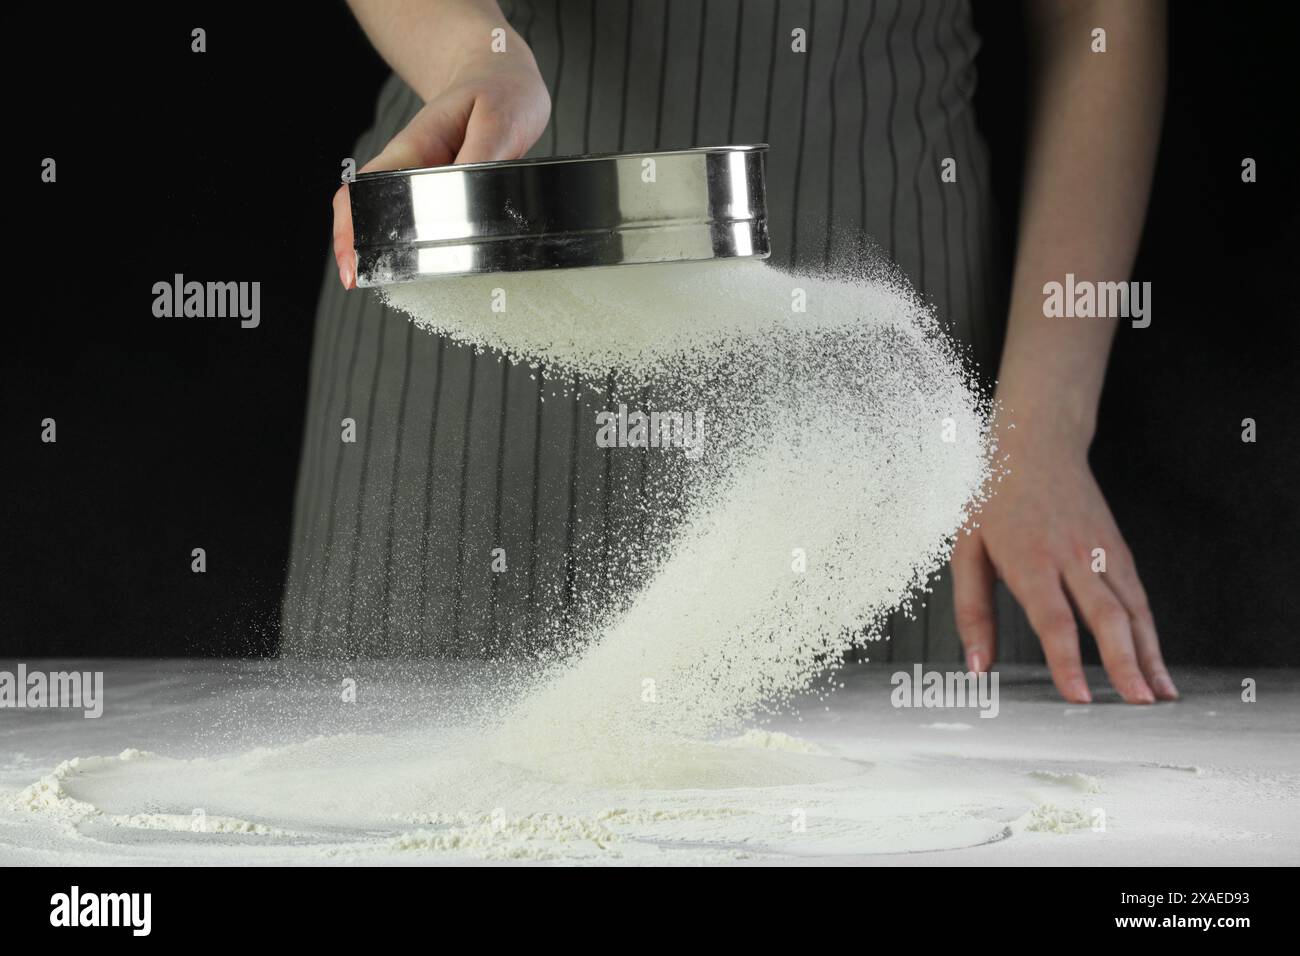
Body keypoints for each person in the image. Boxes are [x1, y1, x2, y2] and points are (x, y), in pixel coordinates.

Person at [285, 0, 1177, 706]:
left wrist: (1043, 428)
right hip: (474, 324)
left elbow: (1096, 14)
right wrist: (471, 55)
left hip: (884, 416)